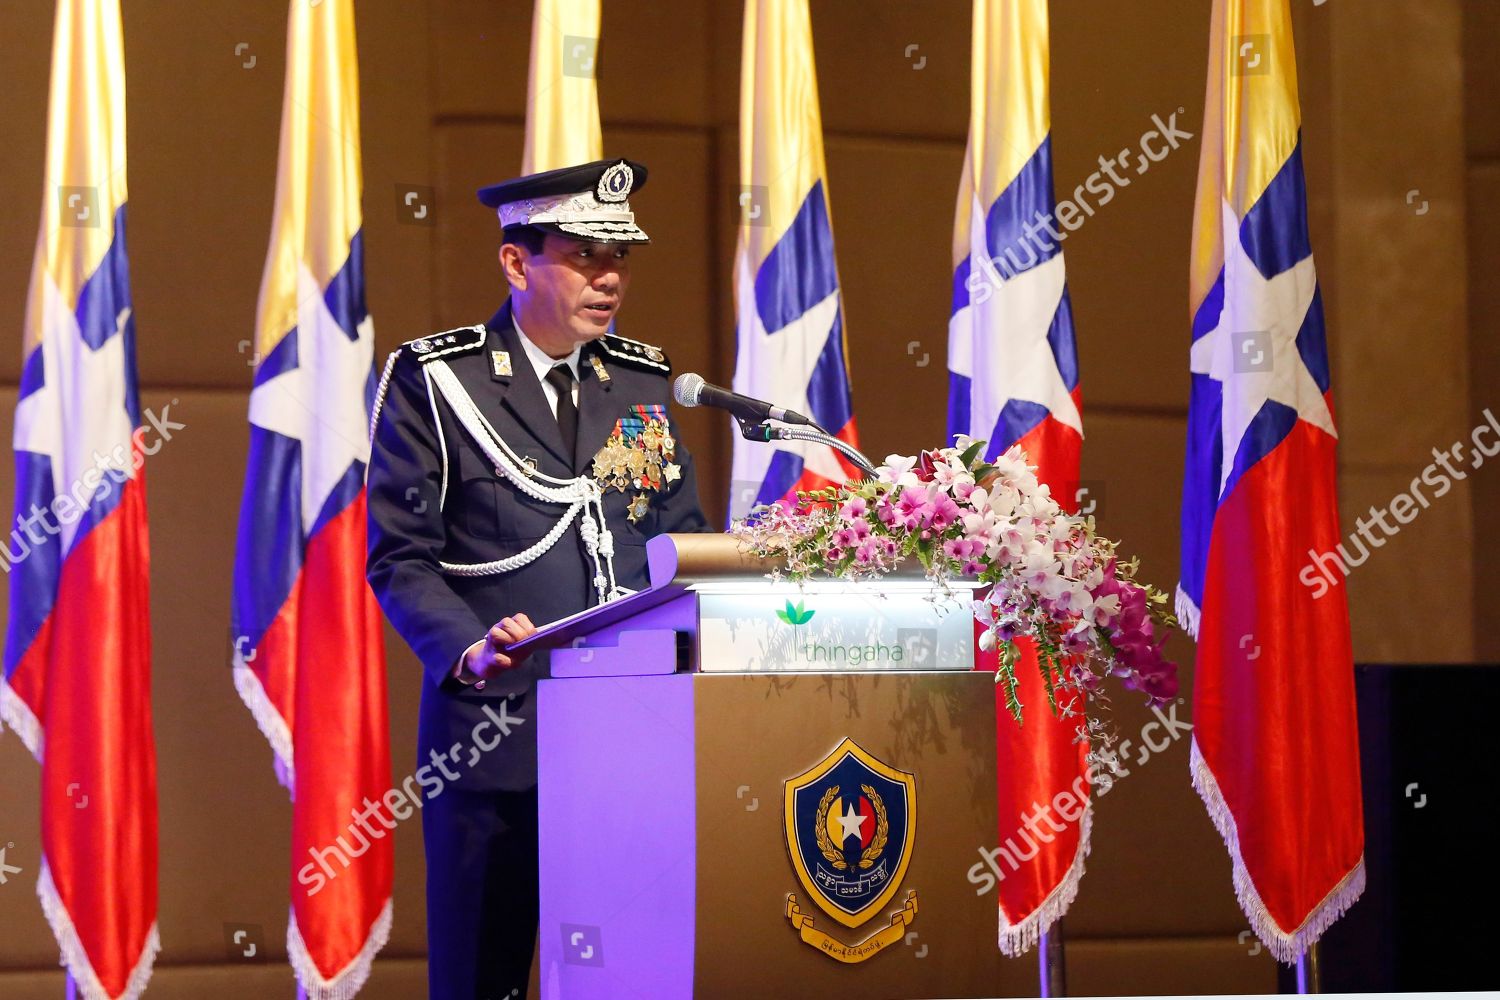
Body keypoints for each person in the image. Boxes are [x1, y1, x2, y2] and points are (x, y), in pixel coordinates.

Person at [365, 157, 710, 1000]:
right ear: (517, 263)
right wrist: (468, 647)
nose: (609, 277)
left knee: (630, 977)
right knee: (484, 978)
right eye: (585, 255)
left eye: (619, 257)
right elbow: (399, 556)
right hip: (496, 737)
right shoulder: (437, 380)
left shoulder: (640, 379)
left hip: (634, 738)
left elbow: (681, 540)